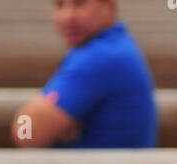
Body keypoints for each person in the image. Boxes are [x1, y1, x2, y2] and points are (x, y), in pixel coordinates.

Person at [10, 0, 157, 150]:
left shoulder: (99, 57)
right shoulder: (118, 45)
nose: (68, 17)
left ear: (108, 5)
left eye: (80, 4)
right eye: (59, 5)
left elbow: (26, 134)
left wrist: (47, 114)